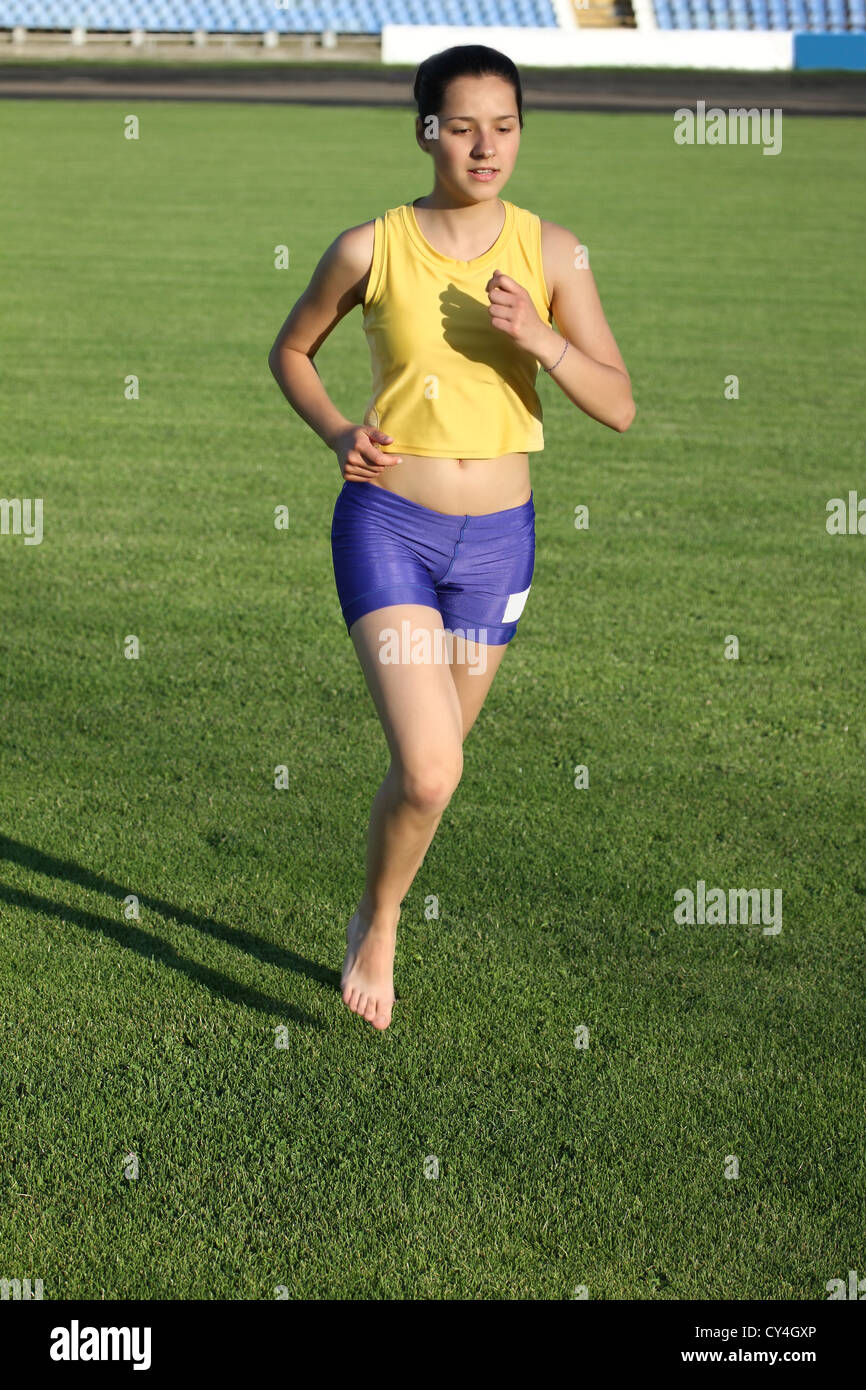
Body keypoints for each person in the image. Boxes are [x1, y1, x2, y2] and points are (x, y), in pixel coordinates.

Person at [268, 44, 634, 1032]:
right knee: (431, 768)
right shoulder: (369, 247)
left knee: (428, 774)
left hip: (497, 549)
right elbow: (290, 348)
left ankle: (372, 899)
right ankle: (379, 920)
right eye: (462, 125)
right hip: (388, 523)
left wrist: (543, 341)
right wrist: (341, 431)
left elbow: (618, 404)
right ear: (424, 127)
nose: (484, 146)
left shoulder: (553, 252)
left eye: (503, 126)